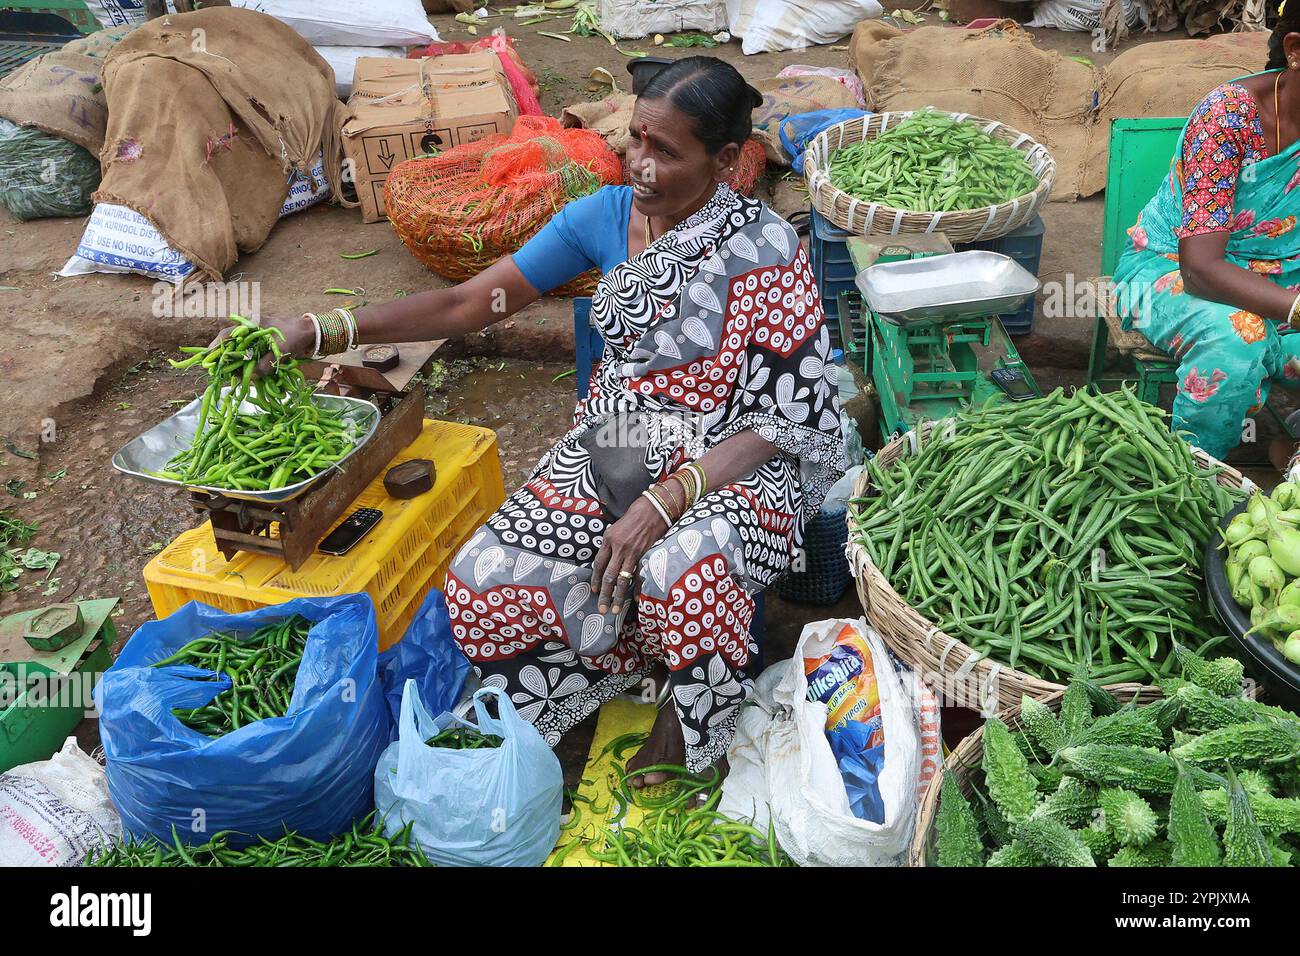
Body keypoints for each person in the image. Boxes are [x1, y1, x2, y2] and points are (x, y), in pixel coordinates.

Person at [261, 56, 845, 784]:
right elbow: (469, 305)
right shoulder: (600, 217)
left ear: (725, 159)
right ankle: (630, 659)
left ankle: (693, 722)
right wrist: (320, 329)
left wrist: (670, 499)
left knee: (681, 570)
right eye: (636, 139)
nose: (640, 163)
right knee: (485, 573)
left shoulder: (766, 246)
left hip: (741, 455)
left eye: (666, 151)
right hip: (628, 436)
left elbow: (790, 415)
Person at [1114, 3, 1300, 463]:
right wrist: (1296, 309)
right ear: (1296, 50)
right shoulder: (1230, 117)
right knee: (1238, 336)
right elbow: (1200, 268)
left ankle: (1289, 449)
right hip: (1172, 268)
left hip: (1283, 277)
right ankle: (1196, 480)